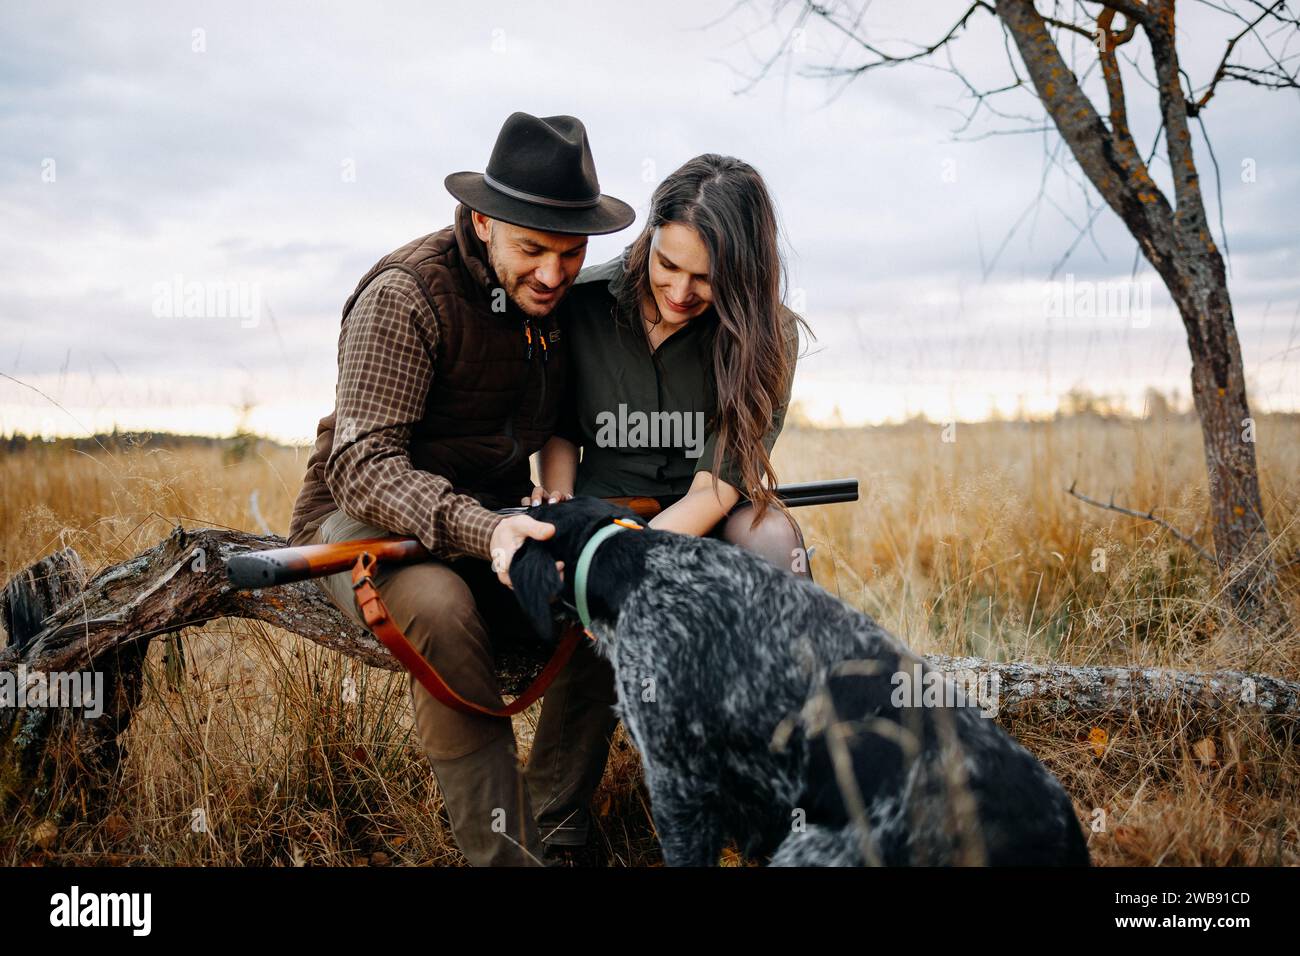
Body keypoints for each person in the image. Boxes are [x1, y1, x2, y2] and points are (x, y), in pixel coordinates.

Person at [285, 112, 635, 867]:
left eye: (571, 253)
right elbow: (363, 466)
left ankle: (557, 833)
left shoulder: (557, 305)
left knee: (605, 587)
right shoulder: (406, 294)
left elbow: (563, 427)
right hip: (360, 523)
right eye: (532, 249)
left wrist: (557, 507)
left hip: (492, 523)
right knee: (442, 609)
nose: (552, 273)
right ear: (482, 220)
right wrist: (487, 531)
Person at [531, 153, 813, 574]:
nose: (680, 291)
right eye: (668, 264)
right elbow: (560, 431)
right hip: (599, 511)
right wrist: (563, 517)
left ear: (741, 273)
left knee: (772, 537)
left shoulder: (770, 334)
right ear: (651, 235)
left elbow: (715, 488)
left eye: (706, 277)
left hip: (712, 514)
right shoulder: (578, 302)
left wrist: (635, 554)